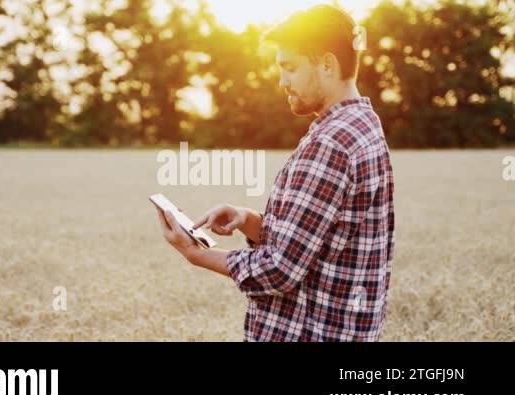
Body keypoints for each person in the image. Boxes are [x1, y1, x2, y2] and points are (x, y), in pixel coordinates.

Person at [156, 5, 395, 342]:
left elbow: (281, 270)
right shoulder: (362, 125)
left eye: (290, 68)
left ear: (327, 64)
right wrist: (250, 219)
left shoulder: (331, 143)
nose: (282, 81)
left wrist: (197, 254)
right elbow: (319, 239)